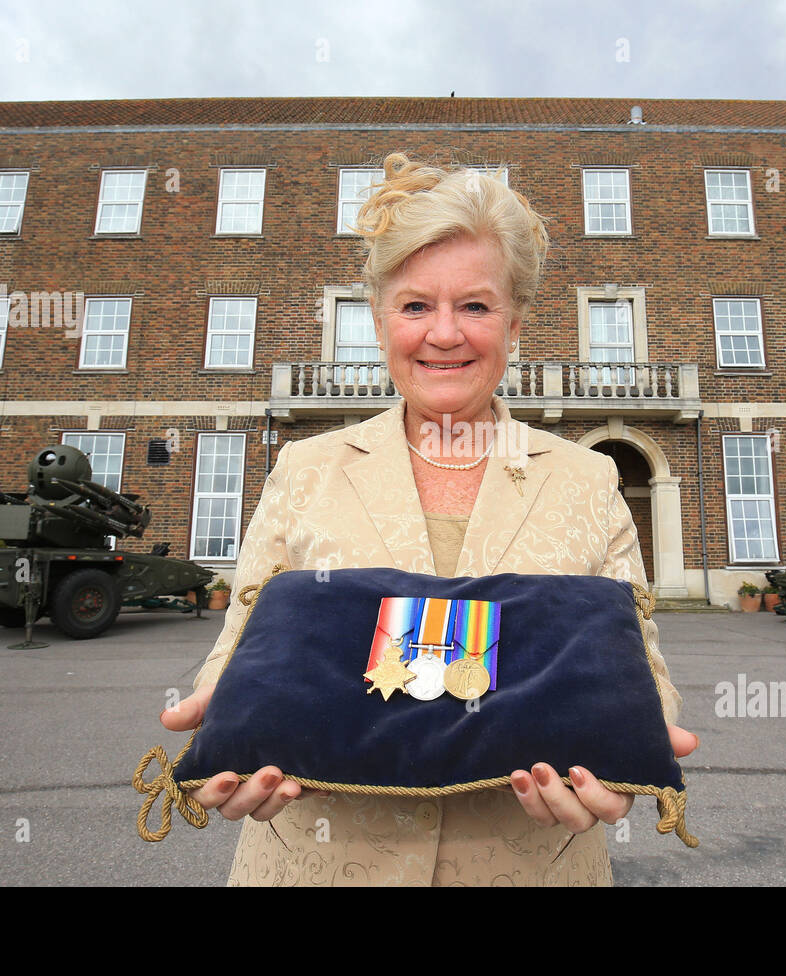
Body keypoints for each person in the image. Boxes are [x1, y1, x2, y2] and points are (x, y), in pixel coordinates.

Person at [161, 152, 697, 886]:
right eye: (416, 306)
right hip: (317, 865)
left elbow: (634, 659)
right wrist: (223, 713)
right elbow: (247, 641)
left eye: (474, 306)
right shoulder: (307, 468)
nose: (444, 334)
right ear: (381, 320)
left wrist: (634, 753)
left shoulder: (589, 477)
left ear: (515, 323)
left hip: (533, 866)